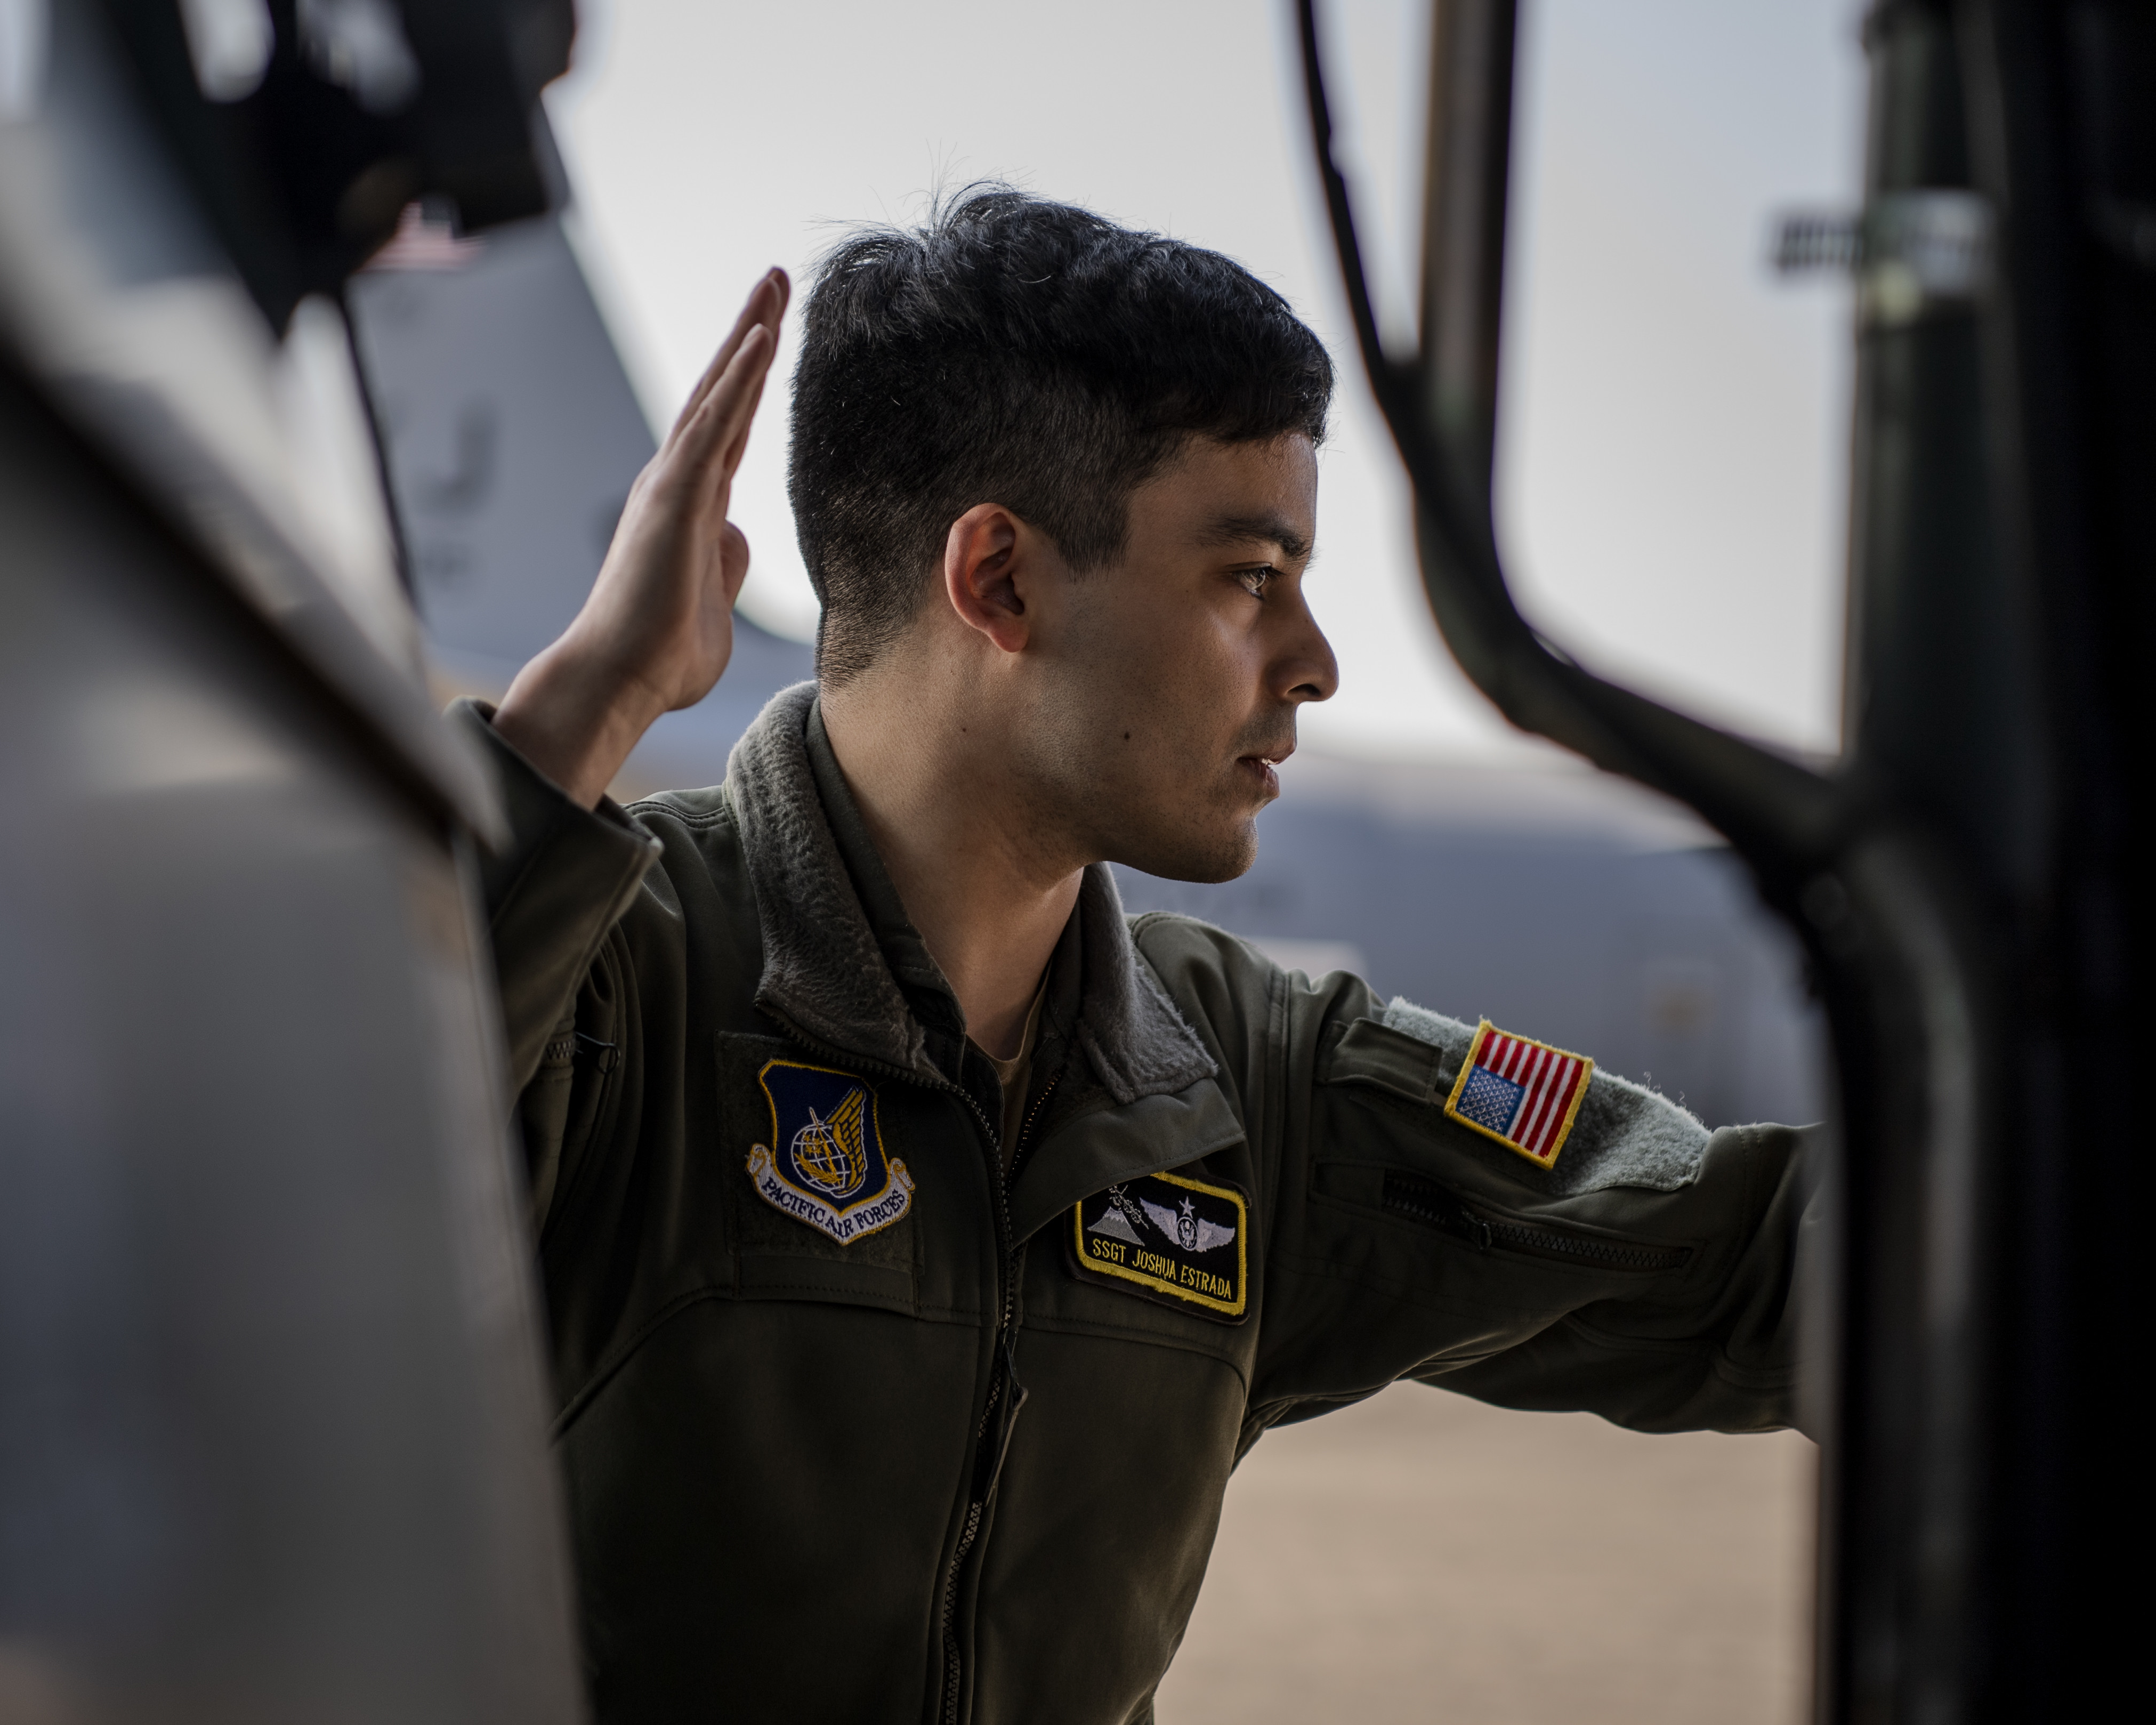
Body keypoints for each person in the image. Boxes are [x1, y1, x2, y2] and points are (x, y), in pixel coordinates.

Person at [467, 187, 1810, 1725]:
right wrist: (569, 727)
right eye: (1249, 576)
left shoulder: (1239, 1086)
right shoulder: (611, 992)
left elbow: (1746, 1261)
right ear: (1002, 582)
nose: (1311, 661)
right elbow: (272, 1189)